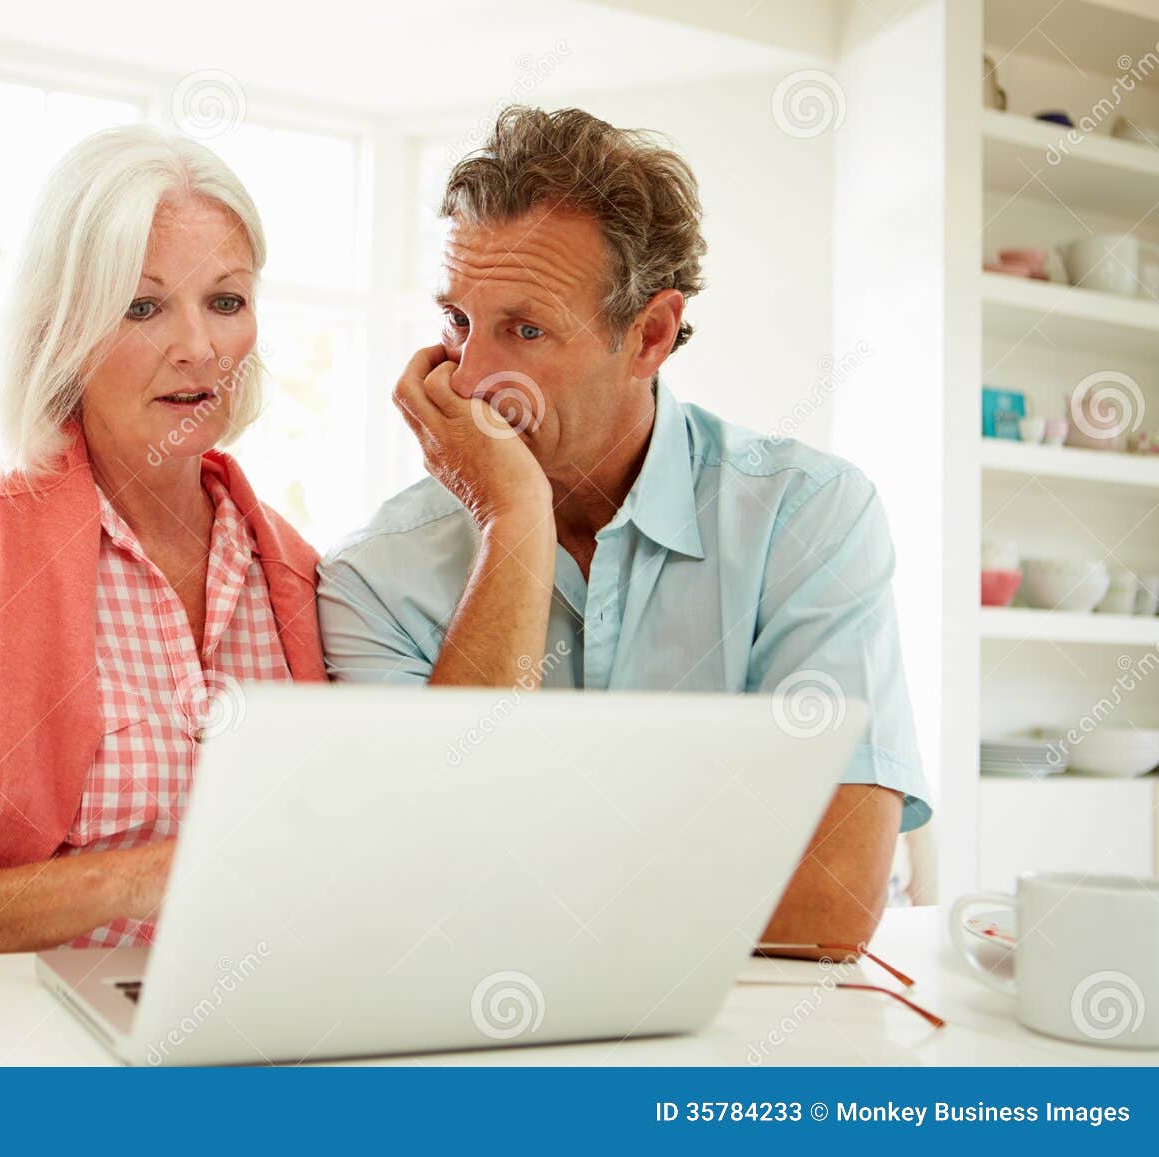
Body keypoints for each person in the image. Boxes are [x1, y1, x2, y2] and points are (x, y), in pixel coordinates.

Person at [318, 106, 929, 953]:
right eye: (457, 321)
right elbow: (426, 894)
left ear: (649, 334)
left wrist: (534, 896)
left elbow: (825, 911)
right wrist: (513, 520)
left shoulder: (808, 516)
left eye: (525, 329)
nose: (471, 376)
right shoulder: (372, 573)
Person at [0, 126, 325, 956]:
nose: (198, 348)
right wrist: (137, 878)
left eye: (226, 301)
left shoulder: (290, 570)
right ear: (62, 328)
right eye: (142, 306)